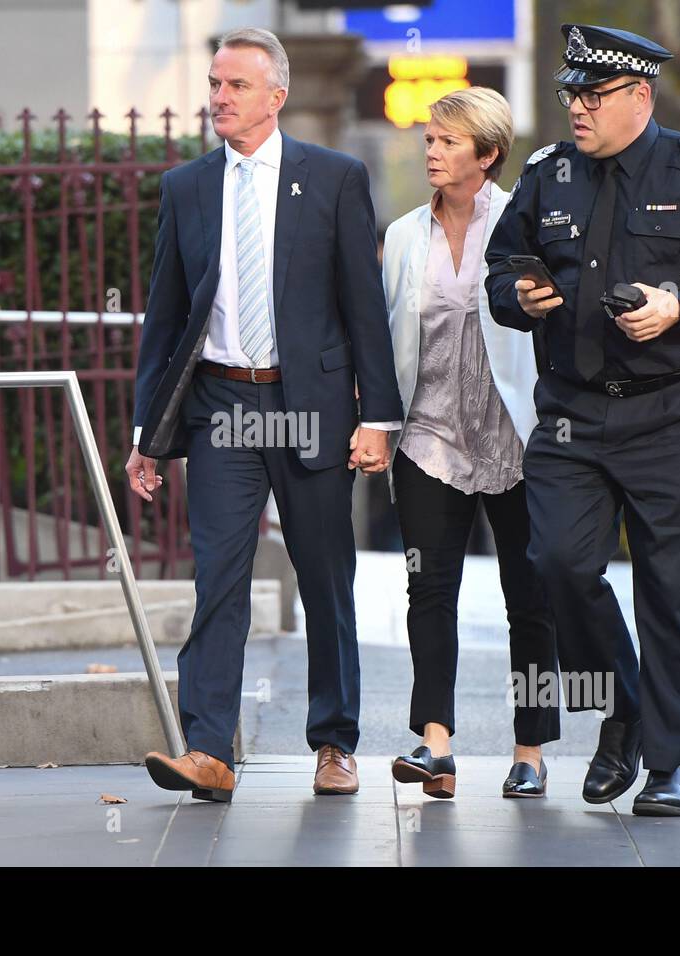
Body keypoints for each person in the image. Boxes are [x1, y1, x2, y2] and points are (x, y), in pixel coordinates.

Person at [484, 24, 680, 816]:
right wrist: (519, 295)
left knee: (667, 587)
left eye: (592, 95)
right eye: (569, 94)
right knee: (556, 562)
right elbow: (502, 267)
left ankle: (669, 764)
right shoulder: (548, 174)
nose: (576, 108)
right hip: (572, 414)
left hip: (671, 413)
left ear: (638, 96)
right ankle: (626, 708)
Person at [127, 27, 403, 802]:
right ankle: (209, 749)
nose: (219, 97)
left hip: (307, 402)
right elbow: (165, 317)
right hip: (222, 403)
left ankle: (334, 742)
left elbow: (363, 307)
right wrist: (148, 433)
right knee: (218, 576)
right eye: (215, 84)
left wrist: (376, 417)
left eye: (236, 86)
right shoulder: (186, 187)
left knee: (325, 577)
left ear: (276, 96)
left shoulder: (336, 179)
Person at [381, 87, 559, 799]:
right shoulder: (401, 237)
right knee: (430, 590)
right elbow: (383, 335)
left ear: (486, 155)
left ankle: (530, 751)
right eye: (429, 138)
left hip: (517, 441)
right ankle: (435, 747)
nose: (432, 150)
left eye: (448, 141)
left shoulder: (525, 227)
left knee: (531, 598)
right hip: (429, 438)